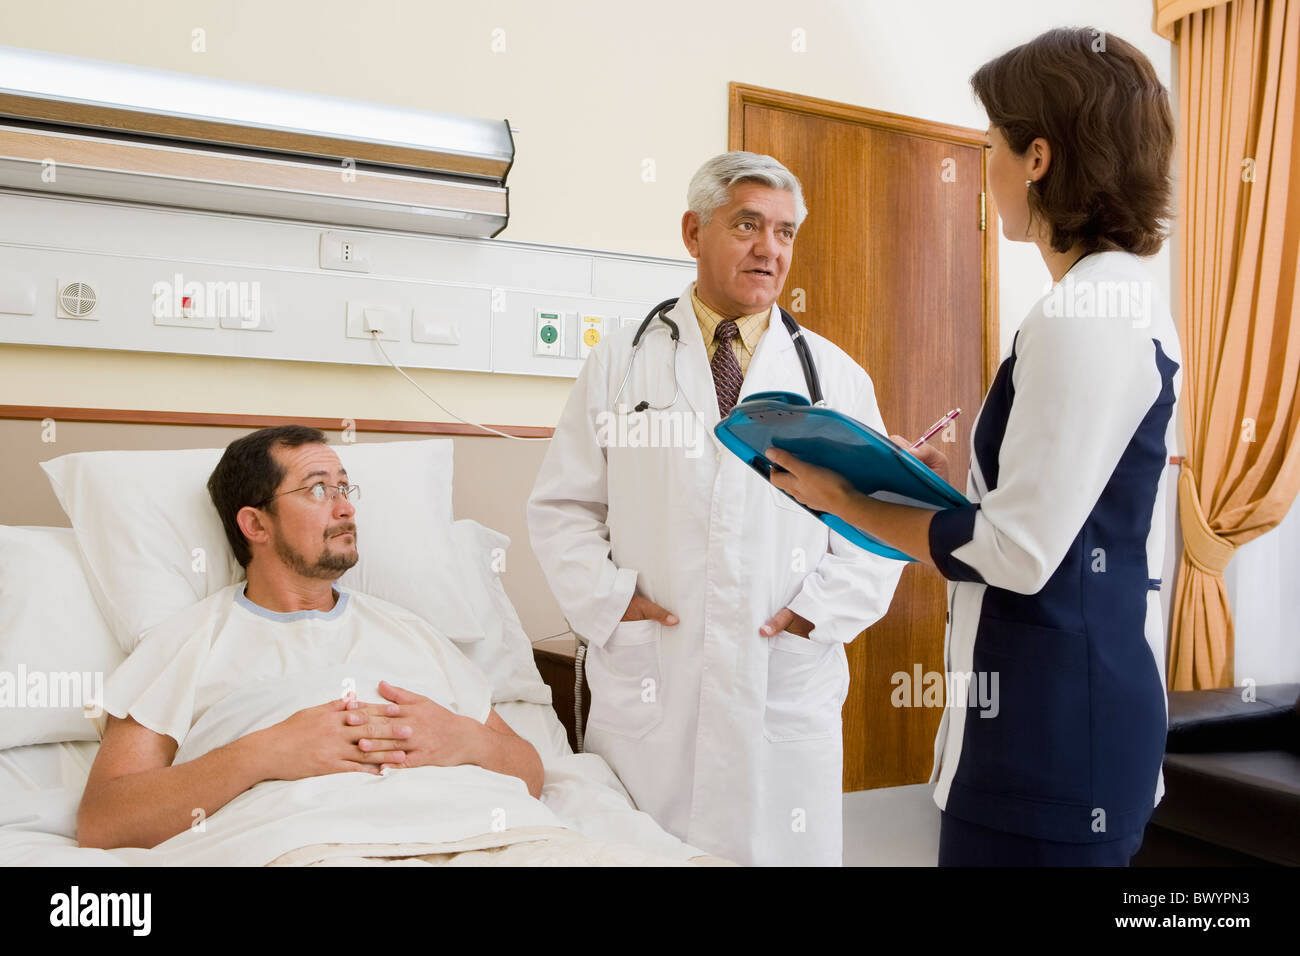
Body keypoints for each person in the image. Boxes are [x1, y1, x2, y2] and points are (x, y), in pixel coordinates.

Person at [766, 28, 1180, 865]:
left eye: (989, 144)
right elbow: (1054, 509)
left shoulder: (1083, 318)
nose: (983, 167)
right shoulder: (1112, 302)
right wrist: (916, 482)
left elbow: (1018, 554)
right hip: (1063, 723)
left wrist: (846, 499)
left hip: (1051, 739)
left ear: (1037, 157)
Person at [76, 425, 699, 866]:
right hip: (316, 845)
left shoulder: (410, 632)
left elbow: (532, 772)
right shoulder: (190, 642)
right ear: (254, 523)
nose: (345, 507)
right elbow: (106, 818)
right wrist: (265, 752)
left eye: (347, 488)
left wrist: (468, 740)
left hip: (498, 840)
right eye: (318, 489)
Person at [527, 151, 905, 866]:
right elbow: (563, 505)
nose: (770, 249)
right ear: (694, 232)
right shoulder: (619, 363)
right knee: (649, 851)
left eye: (786, 232)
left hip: (781, 672)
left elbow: (876, 523)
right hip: (654, 672)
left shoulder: (835, 380)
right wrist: (611, 600)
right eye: (748, 225)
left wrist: (814, 615)